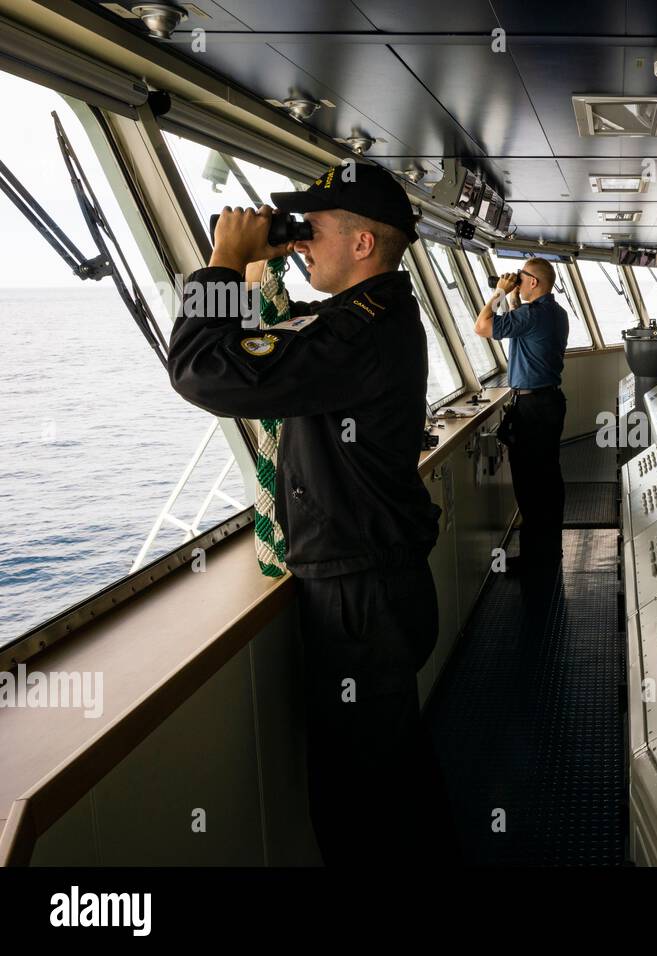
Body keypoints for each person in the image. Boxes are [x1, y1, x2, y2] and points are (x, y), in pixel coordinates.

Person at [167, 161, 454, 864]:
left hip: (361, 597)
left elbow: (202, 370)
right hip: (373, 583)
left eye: (311, 230)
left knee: (359, 805)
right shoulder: (362, 319)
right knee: (390, 775)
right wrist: (263, 263)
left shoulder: (360, 333)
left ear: (362, 245)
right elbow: (271, 346)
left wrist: (225, 262)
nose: (299, 242)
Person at [474, 257, 569, 577]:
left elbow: (482, 326)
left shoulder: (532, 315)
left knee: (530, 486)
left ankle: (536, 562)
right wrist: (514, 297)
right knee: (547, 481)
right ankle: (547, 552)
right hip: (550, 402)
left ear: (533, 283)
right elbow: (520, 324)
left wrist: (499, 294)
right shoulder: (555, 313)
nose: (515, 279)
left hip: (533, 410)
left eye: (521, 277)